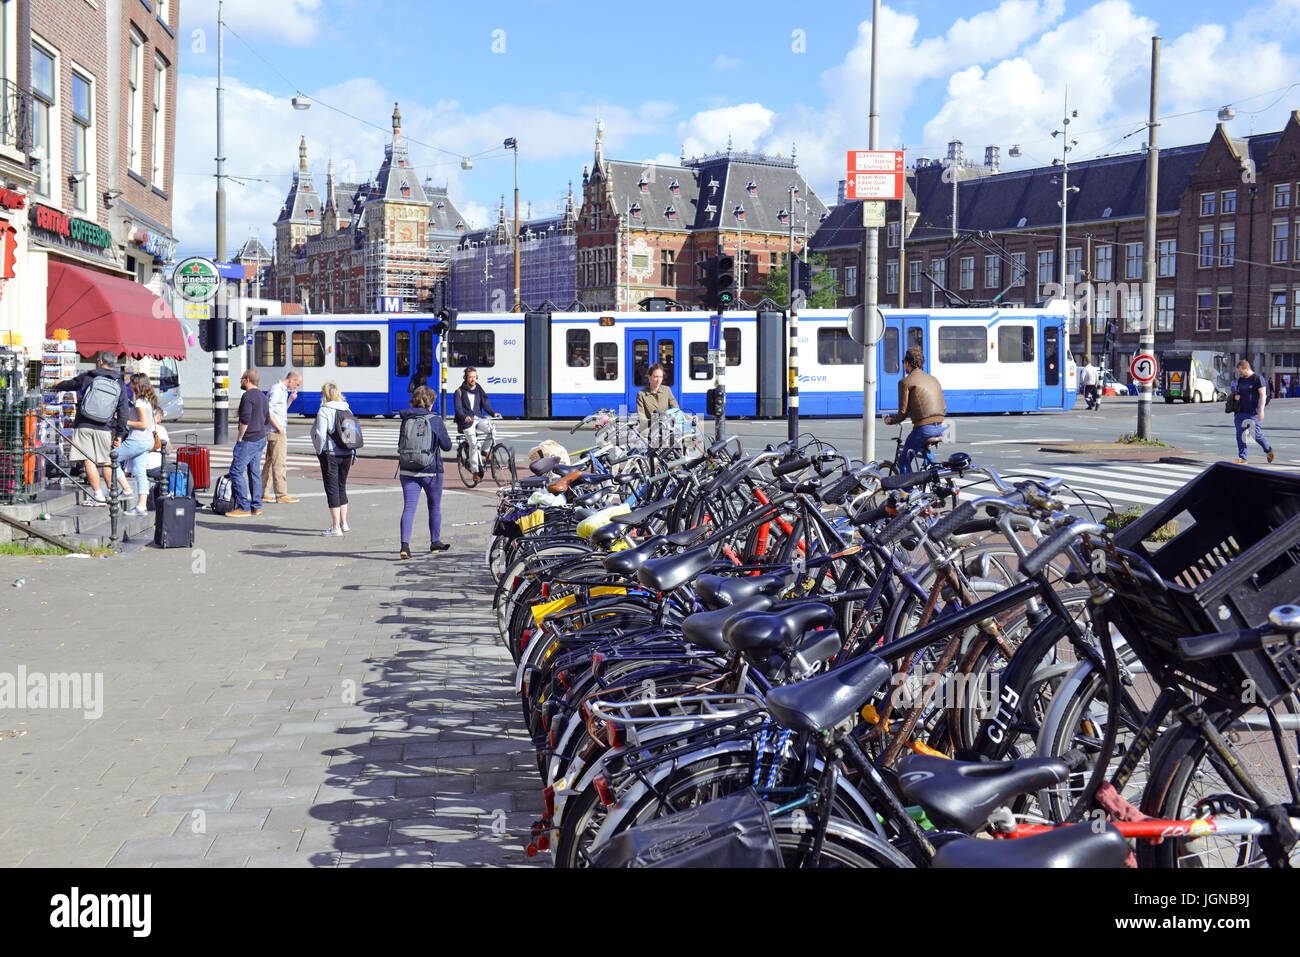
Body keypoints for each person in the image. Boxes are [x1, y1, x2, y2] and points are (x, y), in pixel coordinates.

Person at [51, 351, 132, 506]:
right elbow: (123, 410)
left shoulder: (90, 376)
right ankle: (111, 492)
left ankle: (98, 496)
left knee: (88, 459)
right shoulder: (119, 382)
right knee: (106, 460)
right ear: (114, 364)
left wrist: (57, 385)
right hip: (105, 426)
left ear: (100, 361)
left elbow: (70, 384)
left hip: (84, 423)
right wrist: (120, 434)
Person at [397, 385, 453, 559]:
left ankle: (405, 546)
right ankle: (435, 542)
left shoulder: (406, 418)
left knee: (409, 508)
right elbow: (447, 446)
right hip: (431, 471)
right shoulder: (435, 420)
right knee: (434, 506)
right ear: (430, 402)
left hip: (407, 470)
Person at [884, 346, 946, 473]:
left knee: (903, 460)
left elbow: (902, 413)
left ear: (907, 363)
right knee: (923, 446)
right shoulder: (933, 379)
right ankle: (935, 473)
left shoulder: (905, 382)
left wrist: (891, 420)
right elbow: (943, 406)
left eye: (904, 363)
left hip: (924, 428)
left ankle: (908, 491)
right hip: (941, 426)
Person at [112, 372, 162, 515]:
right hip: (147, 440)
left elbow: (143, 423)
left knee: (110, 459)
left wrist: (123, 421)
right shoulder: (147, 400)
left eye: (132, 383)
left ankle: (126, 489)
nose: (130, 385)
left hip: (137, 440)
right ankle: (141, 506)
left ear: (138, 385)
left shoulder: (140, 402)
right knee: (140, 472)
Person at [226, 369, 271, 517]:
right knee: (254, 472)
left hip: (249, 439)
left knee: (236, 471)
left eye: (241, 379)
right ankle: (256, 506)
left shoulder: (247, 396)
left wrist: (240, 438)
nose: (240, 382)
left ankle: (243, 506)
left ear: (247, 380)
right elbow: (266, 420)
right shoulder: (263, 397)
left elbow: (245, 419)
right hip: (260, 437)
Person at [312, 381, 355, 536]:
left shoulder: (324, 411)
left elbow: (321, 434)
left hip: (331, 454)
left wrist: (319, 451)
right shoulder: (347, 408)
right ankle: (344, 523)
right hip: (346, 453)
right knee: (341, 486)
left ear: (325, 394)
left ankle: (335, 527)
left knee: (332, 489)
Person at [453, 366, 501, 480]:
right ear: (466, 378)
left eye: (474, 377)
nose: (473, 379)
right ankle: (475, 472)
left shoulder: (479, 389)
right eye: (470, 377)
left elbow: (485, 404)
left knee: (492, 430)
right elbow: (458, 409)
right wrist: (465, 417)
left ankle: (485, 450)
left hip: (478, 418)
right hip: (466, 422)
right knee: (473, 444)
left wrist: (493, 413)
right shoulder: (459, 391)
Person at [262, 370, 302, 504]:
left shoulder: (282, 391)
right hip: (276, 430)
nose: (297, 387)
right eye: (297, 384)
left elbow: (280, 410)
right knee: (279, 463)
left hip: (273, 429)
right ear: (291, 380)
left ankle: (264, 492)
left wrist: (290, 400)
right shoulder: (277, 390)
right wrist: (279, 428)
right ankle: (281, 494)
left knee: (269, 462)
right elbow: (269, 410)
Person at [1231, 359, 1274, 465]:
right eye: (1238, 371)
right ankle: (1243, 458)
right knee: (1240, 435)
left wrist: (1261, 410)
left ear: (1247, 368)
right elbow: (1238, 391)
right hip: (1240, 412)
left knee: (1256, 435)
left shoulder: (1257, 378)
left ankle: (1268, 450)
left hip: (1253, 413)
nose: (1239, 373)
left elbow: (1263, 395)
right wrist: (1236, 397)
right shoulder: (1241, 379)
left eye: (1240, 371)